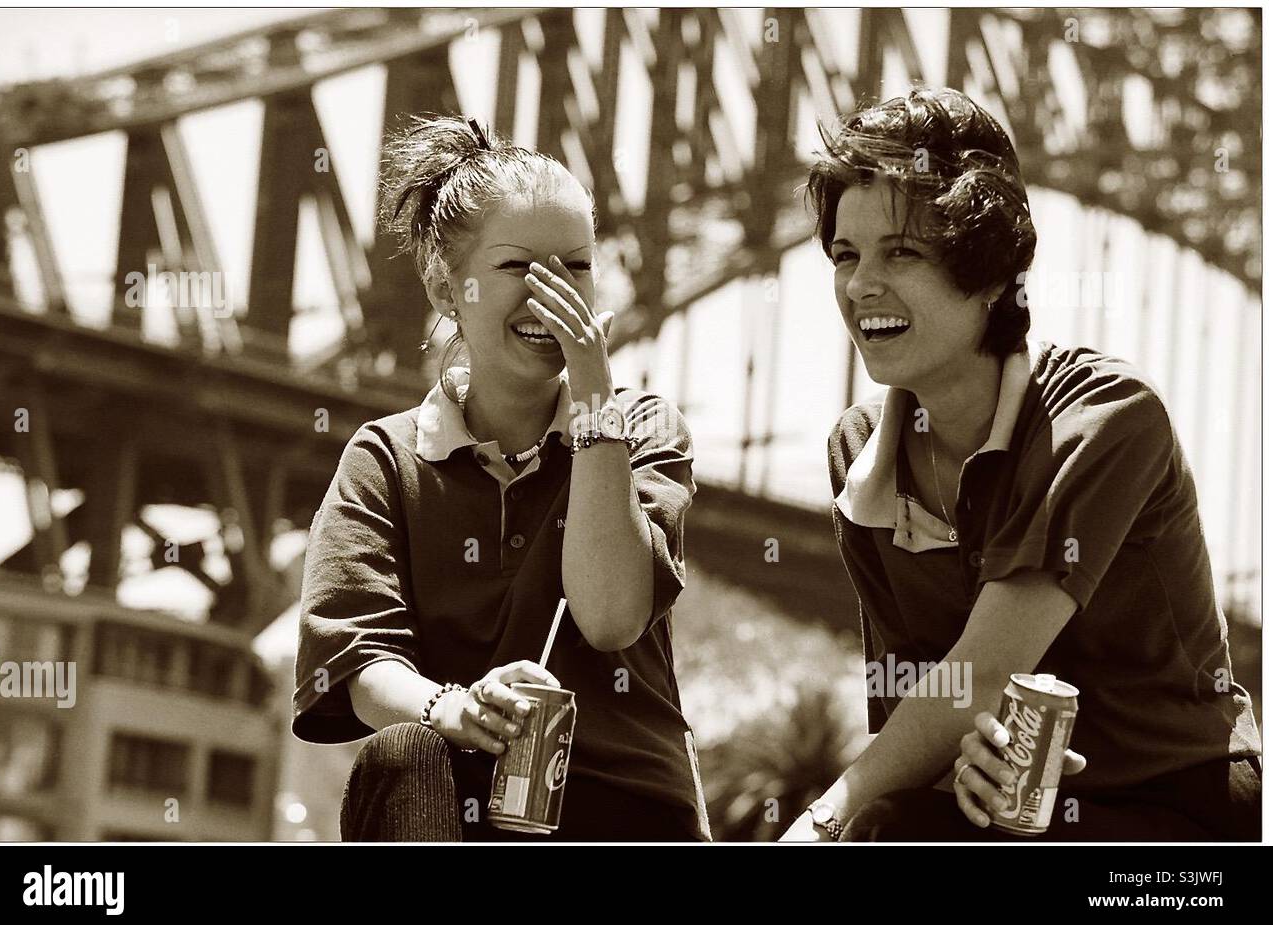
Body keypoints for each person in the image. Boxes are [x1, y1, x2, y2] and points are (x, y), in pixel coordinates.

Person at [782, 88, 1260, 842]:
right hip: (1020, 820)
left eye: (900, 251)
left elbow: (977, 672)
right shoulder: (859, 452)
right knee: (890, 823)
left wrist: (815, 823)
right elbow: (915, 712)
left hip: (1179, 817)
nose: (860, 284)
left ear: (991, 267)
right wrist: (963, 765)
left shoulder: (1104, 415)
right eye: (846, 254)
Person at [292, 114, 710, 842]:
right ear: (449, 290)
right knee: (403, 751)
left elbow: (610, 615)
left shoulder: (640, 426)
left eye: (576, 267)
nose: (552, 292)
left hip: (630, 812)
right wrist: (451, 707)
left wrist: (593, 407)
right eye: (518, 267)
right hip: (457, 808)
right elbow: (360, 663)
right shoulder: (385, 460)